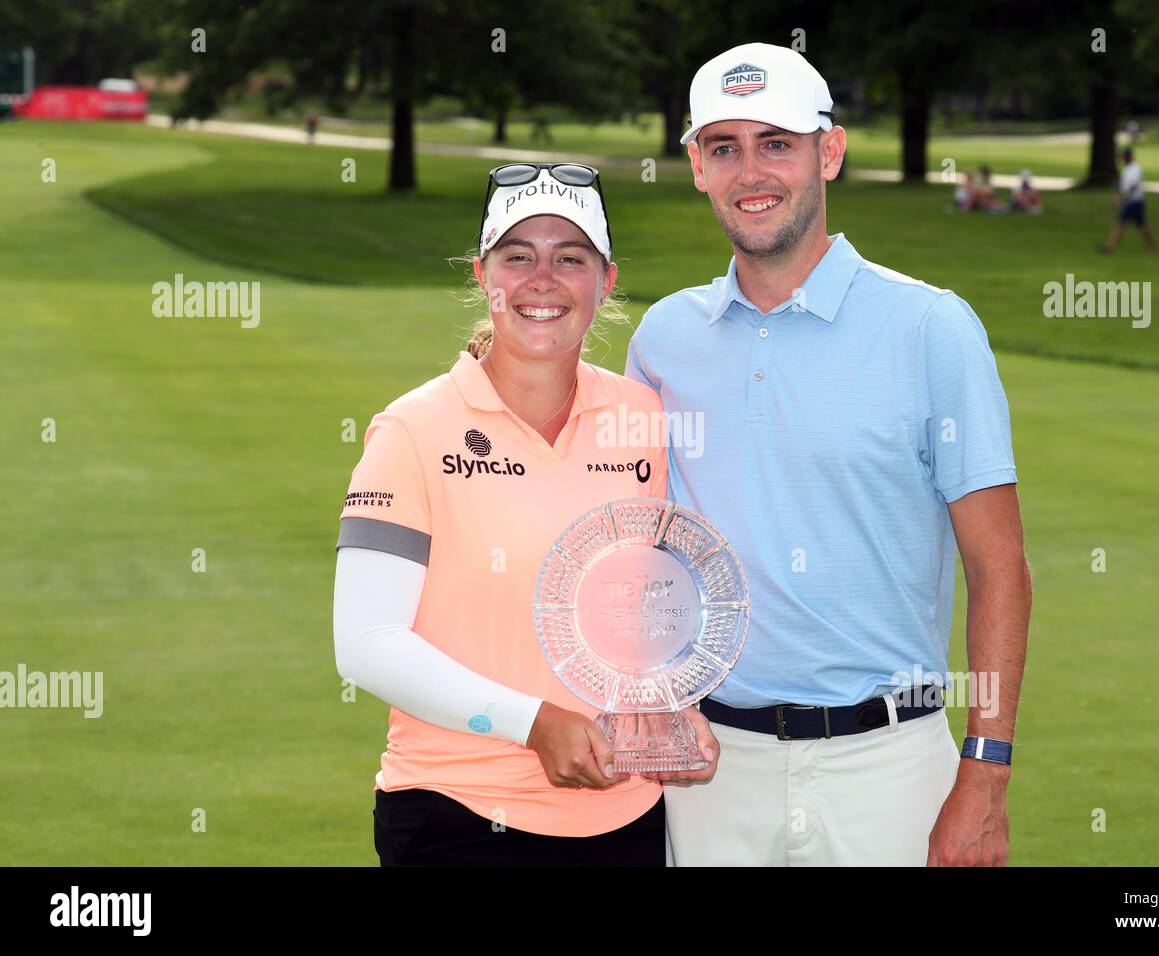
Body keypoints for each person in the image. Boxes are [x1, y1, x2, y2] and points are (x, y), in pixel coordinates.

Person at [625, 42, 1031, 866]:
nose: (751, 172)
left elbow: (1000, 568)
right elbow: (640, 550)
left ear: (829, 152)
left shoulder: (931, 328)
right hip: (710, 767)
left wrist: (985, 777)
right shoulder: (663, 337)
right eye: (723, 147)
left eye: (776, 143)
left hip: (889, 762)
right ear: (696, 166)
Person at [333, 162, 719, 866]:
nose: (543, 279)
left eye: (570, 258)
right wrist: (533, 723)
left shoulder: (643, 419)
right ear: (484, 275)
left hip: (623, 813)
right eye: (519, 256)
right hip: (456, 811)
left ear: (604, 282)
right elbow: (365, 643)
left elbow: (659, 605)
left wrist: (675, 709)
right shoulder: (412, 430)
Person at [1101, 147, 1154, 253]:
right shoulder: (1127, 169)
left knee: (1120, 224)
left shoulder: (1135, 169)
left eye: (1124, 156)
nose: (1123, 159)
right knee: (1141, 226)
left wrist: (1121, 198)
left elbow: (1133, 186)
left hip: (1134, 202)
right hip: (1133, 202)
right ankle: (1151, 248)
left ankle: (1110, 247)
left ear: (1129, 157)